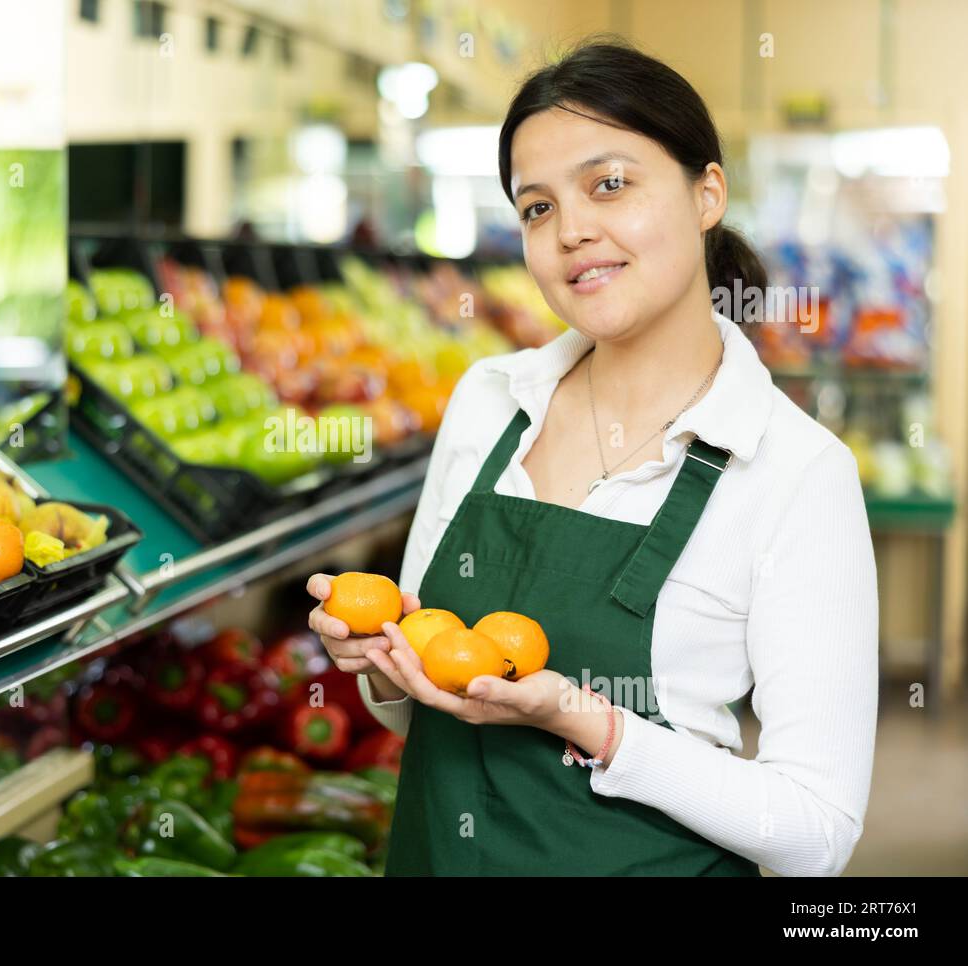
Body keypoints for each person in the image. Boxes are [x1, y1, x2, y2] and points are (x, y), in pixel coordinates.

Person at [306, 39, 878, 876]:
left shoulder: (795, 473)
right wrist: (383, 667)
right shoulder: (489, 401)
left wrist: (588, 721)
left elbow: (816, 831)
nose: (572, 230)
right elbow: (420, 708)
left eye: (609, 184)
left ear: (706, 192)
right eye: (536, 208)